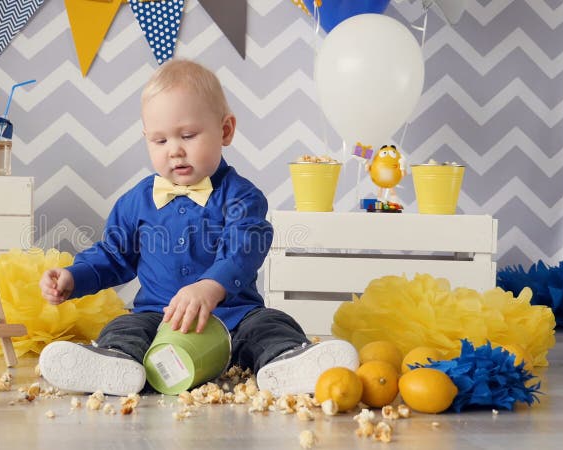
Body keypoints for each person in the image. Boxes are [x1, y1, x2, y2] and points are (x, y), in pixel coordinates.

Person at [38, 59, 357, 396]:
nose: (175, 150)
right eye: (159, 141)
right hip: (159, 319)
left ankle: (287, 362)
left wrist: (210, 286)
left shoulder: (242, 196)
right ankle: (116, 362)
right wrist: (76, 276)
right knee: (125, 325)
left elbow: (244, 248)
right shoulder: (137, 201)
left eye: (188, 135)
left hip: (233, 317)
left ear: (225, 130)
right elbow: (114, 255)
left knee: (270, 324)